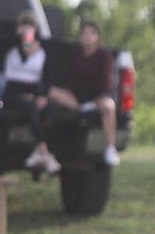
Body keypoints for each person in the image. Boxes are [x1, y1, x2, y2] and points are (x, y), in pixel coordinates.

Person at [42, 20, 121, 166]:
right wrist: (66, 92)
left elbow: (107, 84)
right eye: (85, 33)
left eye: (92, 33)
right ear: (80, 37)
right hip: (77, 99)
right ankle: (45, 148)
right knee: (51, 91)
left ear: (98, 37)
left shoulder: (104, 55)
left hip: (98, 98)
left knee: (109, 106)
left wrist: (97, 100)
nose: (88, 36)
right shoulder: (76, 55)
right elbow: (71, 81)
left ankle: (110, 148)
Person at [0, 11, 57, 175]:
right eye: (23, 27)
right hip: (13, 91)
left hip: (33, 91)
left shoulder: (42, 51)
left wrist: (43, 96)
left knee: (49, 109)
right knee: (31, 107)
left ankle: (39, 151)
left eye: (30, 27)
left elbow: (47, 77)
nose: (26, 31)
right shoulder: (11, 47)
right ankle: (43, 151)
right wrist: (18, 38)